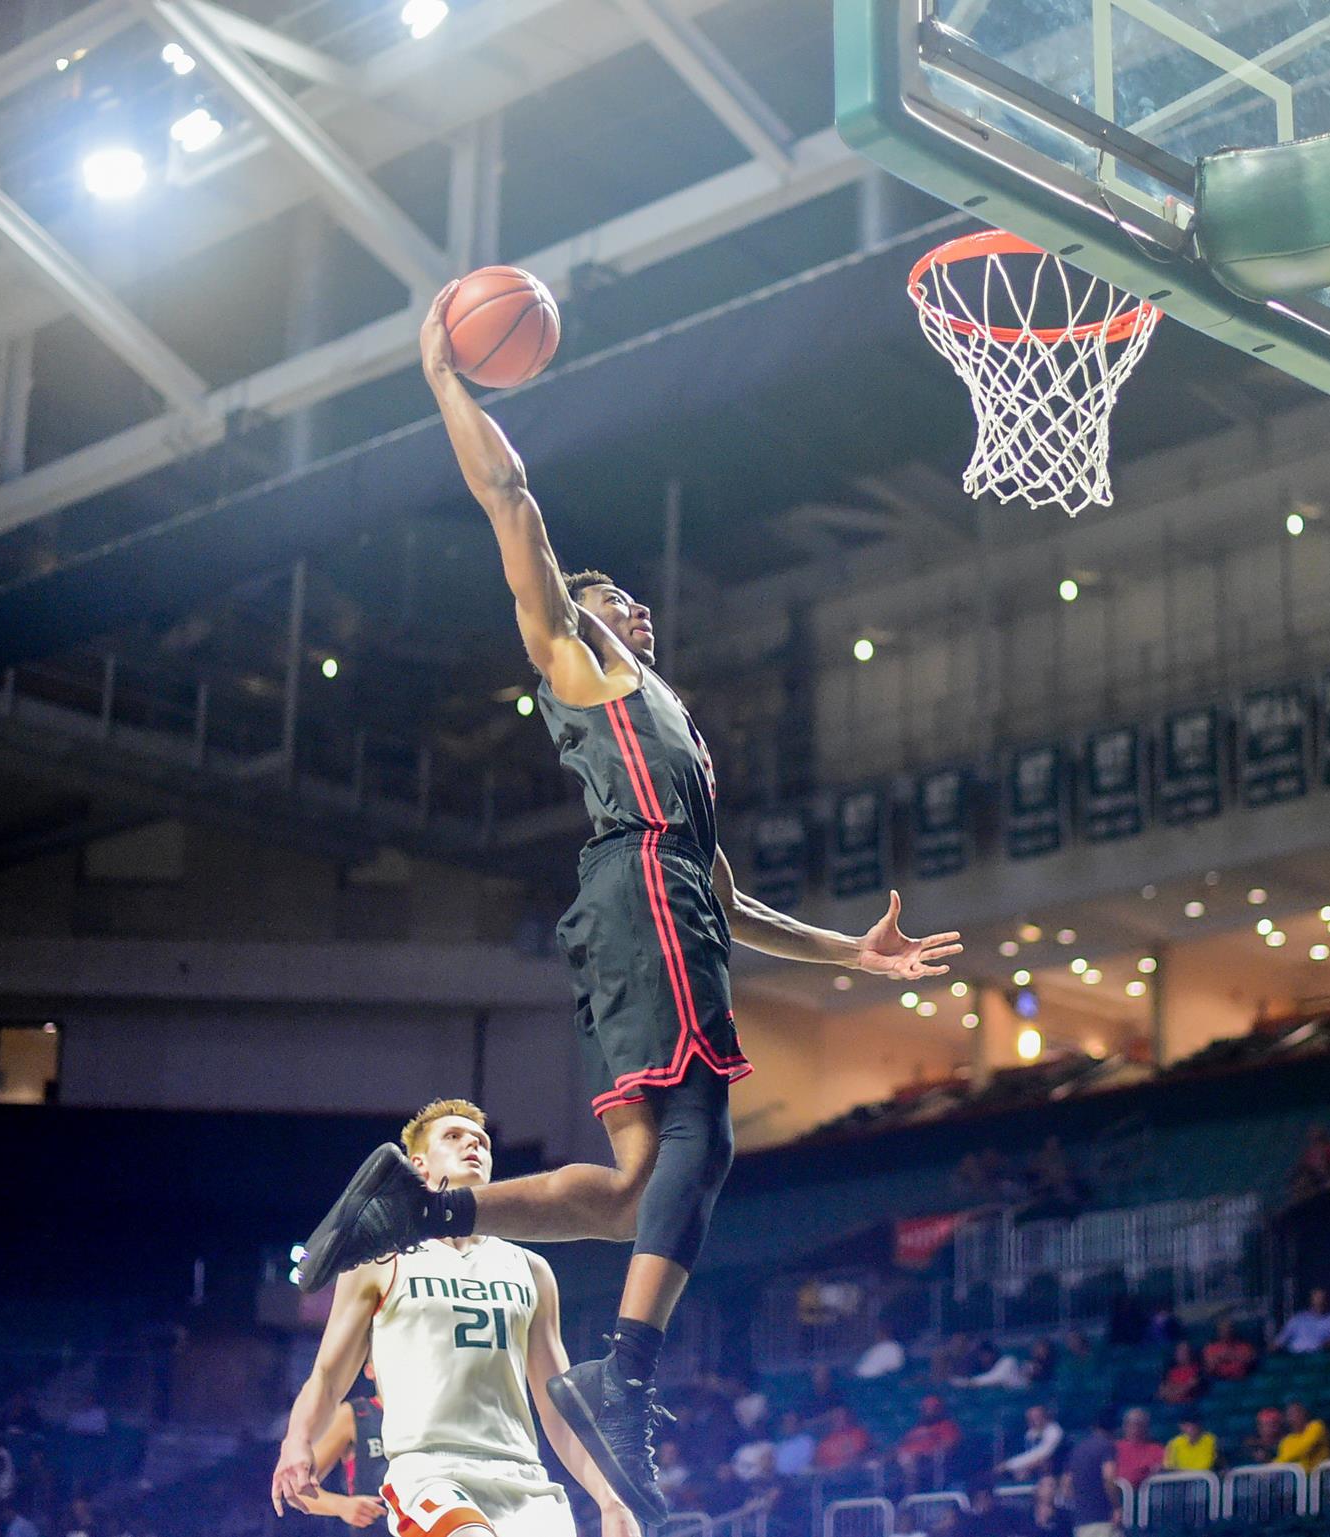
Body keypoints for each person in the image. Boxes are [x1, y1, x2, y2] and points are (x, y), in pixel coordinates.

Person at [292, 287, 963, 1524]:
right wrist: (450, 385)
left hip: (665, 903)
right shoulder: (579, 662)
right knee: (703, 1143)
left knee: (630, 1190)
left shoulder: (673, 727)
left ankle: (425, 1209)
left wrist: (846, 956)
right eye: (611, 599)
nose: (634, 609)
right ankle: (624, 1373)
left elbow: (719, 890)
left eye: (632, 606)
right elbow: (513, 505)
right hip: (636, 890)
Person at [270, 1099, 641, 1537]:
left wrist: (611, 1499)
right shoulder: (380, 1260)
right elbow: (328, 1375)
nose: (473, 1144)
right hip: (430, 1472)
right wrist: (297, 1440)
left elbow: (559, 1404)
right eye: (454, 1136)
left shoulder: (531, 1269)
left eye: (481, 1140)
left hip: (523, 1478)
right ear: (417, 1165)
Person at [297, 1364, 390, 1529]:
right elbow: (299, 1487)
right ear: (371, 1370)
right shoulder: (353, 1415)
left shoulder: (433, 1416)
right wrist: (340, 1505)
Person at [1060, 1411, 1119, 1537]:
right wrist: (1116, 1507)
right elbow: (1108, 1477)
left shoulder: (1077, 1449)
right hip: (1103, 1520)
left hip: (1081, 1522)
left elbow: (1066, 1485)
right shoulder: (1106, 1446)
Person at [893, 1397, 961, 1494]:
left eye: (932, 1408)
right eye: (926, 1408)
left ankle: (910, 1492)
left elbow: (949, 1445)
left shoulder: (947, 1426)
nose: (929, 1411)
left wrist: (924, 1454)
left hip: (929, 1462)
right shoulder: (915, 1429)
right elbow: (901, 1447)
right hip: (904, 1463)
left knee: (909, 1461)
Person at [1275, 1289, 1330, 1354]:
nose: (1319, 1301)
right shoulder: (1298, 1318)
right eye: (1317, 1297)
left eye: (1322, 1298)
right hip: (1296, 1359)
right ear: (1311, 1299)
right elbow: (1280, 1340)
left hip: (1320, 1358)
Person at [998, 1406, 1063, 1481]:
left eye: (1037, 1417)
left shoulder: (1054, 1431)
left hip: (1055, 1473)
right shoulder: (1030, 1434)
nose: (1034, 1421)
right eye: (1031, 1418)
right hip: (1032, 1471)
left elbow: (1042, 1454)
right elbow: (1027, 1454)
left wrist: (1009, 1465)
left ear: (1045, 1417)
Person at [1274, 1400, 1330, 1473]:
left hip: (1321, 1480)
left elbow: (1304, 1448)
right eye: (1290, 1414)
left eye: (1297, 1412)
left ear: (1305, 1413)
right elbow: (1284, 1461)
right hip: (1300, 1482)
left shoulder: (1317, 1426)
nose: (1293, 1417)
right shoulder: (1287, 1440)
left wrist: (1277, 1463)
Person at [1112, 1409, 1162, 1487]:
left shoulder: (1157, 1450)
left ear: (1147, 1427)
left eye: (1140, 1425)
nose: (1135, 1429)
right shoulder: (1114, 1448)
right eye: (1130, 1424)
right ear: (1124, 1426)